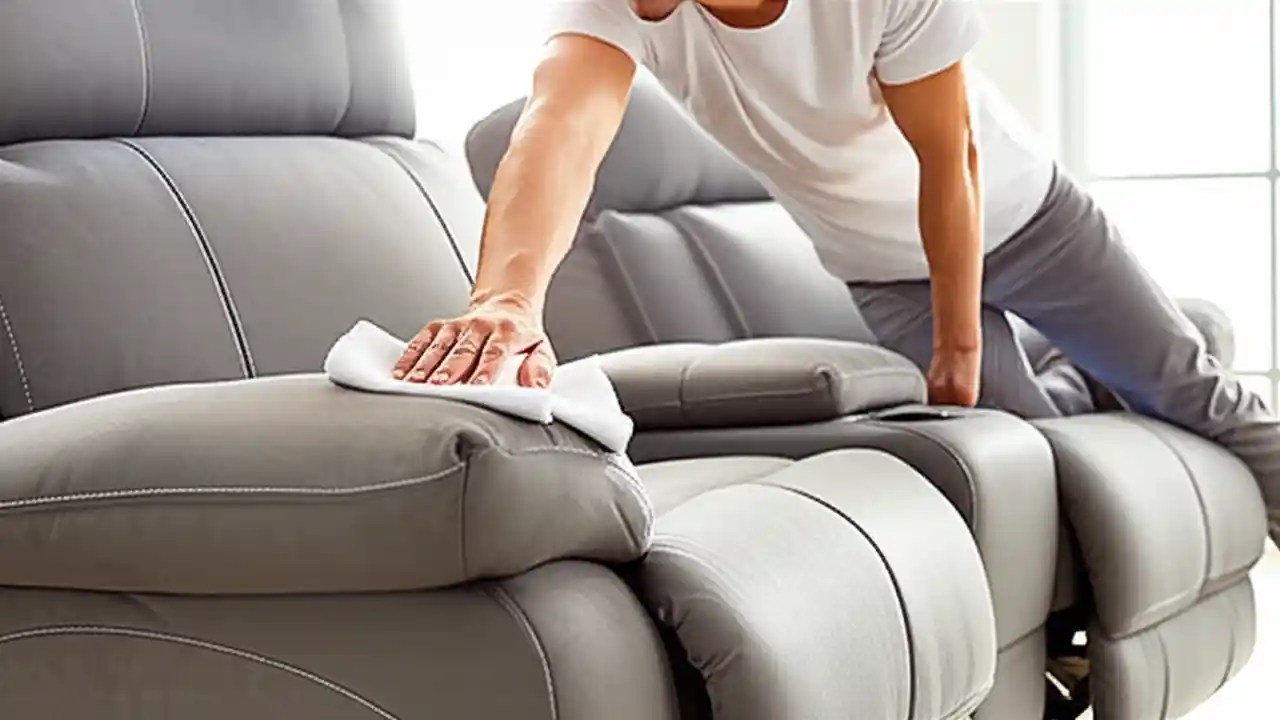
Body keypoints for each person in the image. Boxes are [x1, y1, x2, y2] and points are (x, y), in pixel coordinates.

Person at [390, 0, 1280, 543]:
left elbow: (951, 157)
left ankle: (1129, 352)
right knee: (1036, 445)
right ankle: (1083, 373)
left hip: (1025, 215)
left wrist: (958, 341)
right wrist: (506, 299)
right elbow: (560, 129)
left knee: (1192, 391)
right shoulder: (619, 6)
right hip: (880, 268)